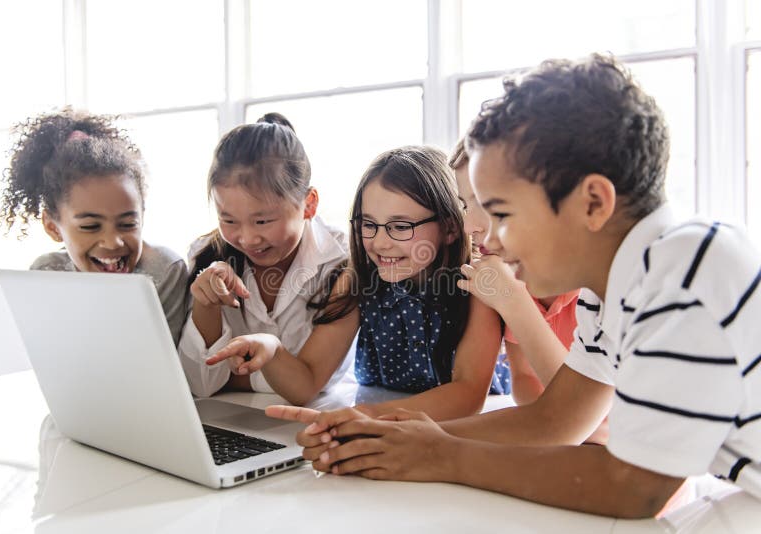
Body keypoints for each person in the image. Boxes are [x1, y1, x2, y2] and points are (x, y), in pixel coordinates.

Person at [267, 54, 761, 518]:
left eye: (502, 213)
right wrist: (407, 436)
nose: (491, 238)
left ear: (592, 202)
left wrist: (444, 455)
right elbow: (555, 421)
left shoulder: (681, 271)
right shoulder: (609, 292)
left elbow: (632, 484)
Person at [208, 145, 502, 420]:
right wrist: (272, 349)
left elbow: (468, 395)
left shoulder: (475, 285)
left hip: (458, 429)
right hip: (385, 425)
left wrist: (366, 415)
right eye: (369, 225)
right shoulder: (358, 280)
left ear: (450, 228)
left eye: (400, 227)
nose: (380, 242)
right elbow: (307, 381)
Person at [177, 113, 351, 397]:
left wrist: (237, 376)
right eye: (229, 220)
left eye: (262, 221)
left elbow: (305, 387)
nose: (247, 238)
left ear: (309, 204)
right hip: (229, 418)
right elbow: (201, 385)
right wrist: (205, 305)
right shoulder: (207, 256)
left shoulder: (343, 264)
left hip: (309, 419)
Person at [449, 141, 607, 442]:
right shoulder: (510, 275)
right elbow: (524, 381)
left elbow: (596, 426)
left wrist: (514, 302)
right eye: (465, 204)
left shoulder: (601, 289)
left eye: (485, 204)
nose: (468, 225)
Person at [0, 108, 187, 342]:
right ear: (53, 227)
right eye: (90, 226)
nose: (113, 241)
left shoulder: (162, 269)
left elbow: (170, 367)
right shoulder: (47, 273)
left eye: (128, 224)